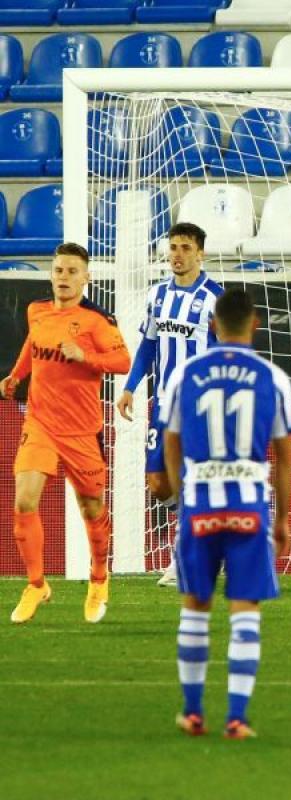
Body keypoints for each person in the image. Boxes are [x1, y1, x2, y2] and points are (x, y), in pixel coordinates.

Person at [160, 288, 291, 739]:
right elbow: (285, 457)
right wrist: (283, 519)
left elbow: (171, 442)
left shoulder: (186, 372)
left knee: (195, 608)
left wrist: (184, 493)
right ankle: (236, 717)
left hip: (199, 504)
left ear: (213, 324)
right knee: (245, 610)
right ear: (255, 323)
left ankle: (192, 712)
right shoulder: (272, 377)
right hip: (248, 506)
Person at [1, 243, 130, 624]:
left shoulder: (97, 321)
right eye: (59, 270)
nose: (64, 277)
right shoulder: (36, 310)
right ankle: (36, 584)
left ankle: (99, 578)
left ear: (86, 278)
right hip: (40, 423)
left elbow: (122, 361)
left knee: (92, 508)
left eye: (72, 271)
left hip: (82, 432)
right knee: (24, 502)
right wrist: (16, 375)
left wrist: (85, 356)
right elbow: (33, 344)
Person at [117, 222, 223, 587]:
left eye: (185, 248)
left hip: (199, 405)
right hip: (162, 403)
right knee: (158, 483)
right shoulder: (157, 295)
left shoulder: (215, 298)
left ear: (200, 253)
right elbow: (148, 344)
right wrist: (130, 387)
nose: (177, 255)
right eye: (173, 247)